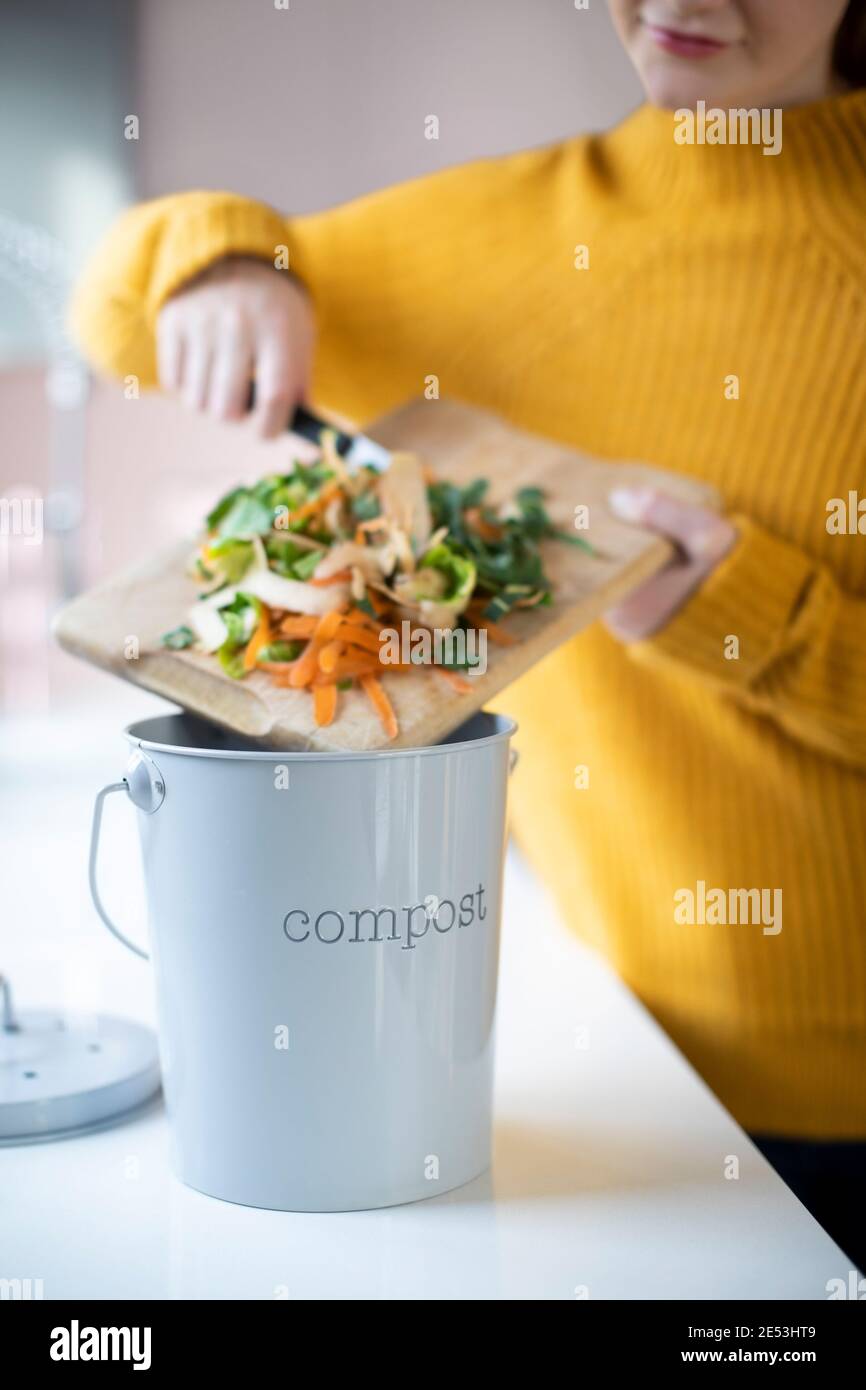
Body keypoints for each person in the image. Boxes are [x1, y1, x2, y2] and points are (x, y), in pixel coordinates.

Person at [71, 1, 866, 1268]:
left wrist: (745, 620)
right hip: (596, 1061)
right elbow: (118, 305)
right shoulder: (505, 231)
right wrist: (219, 260)